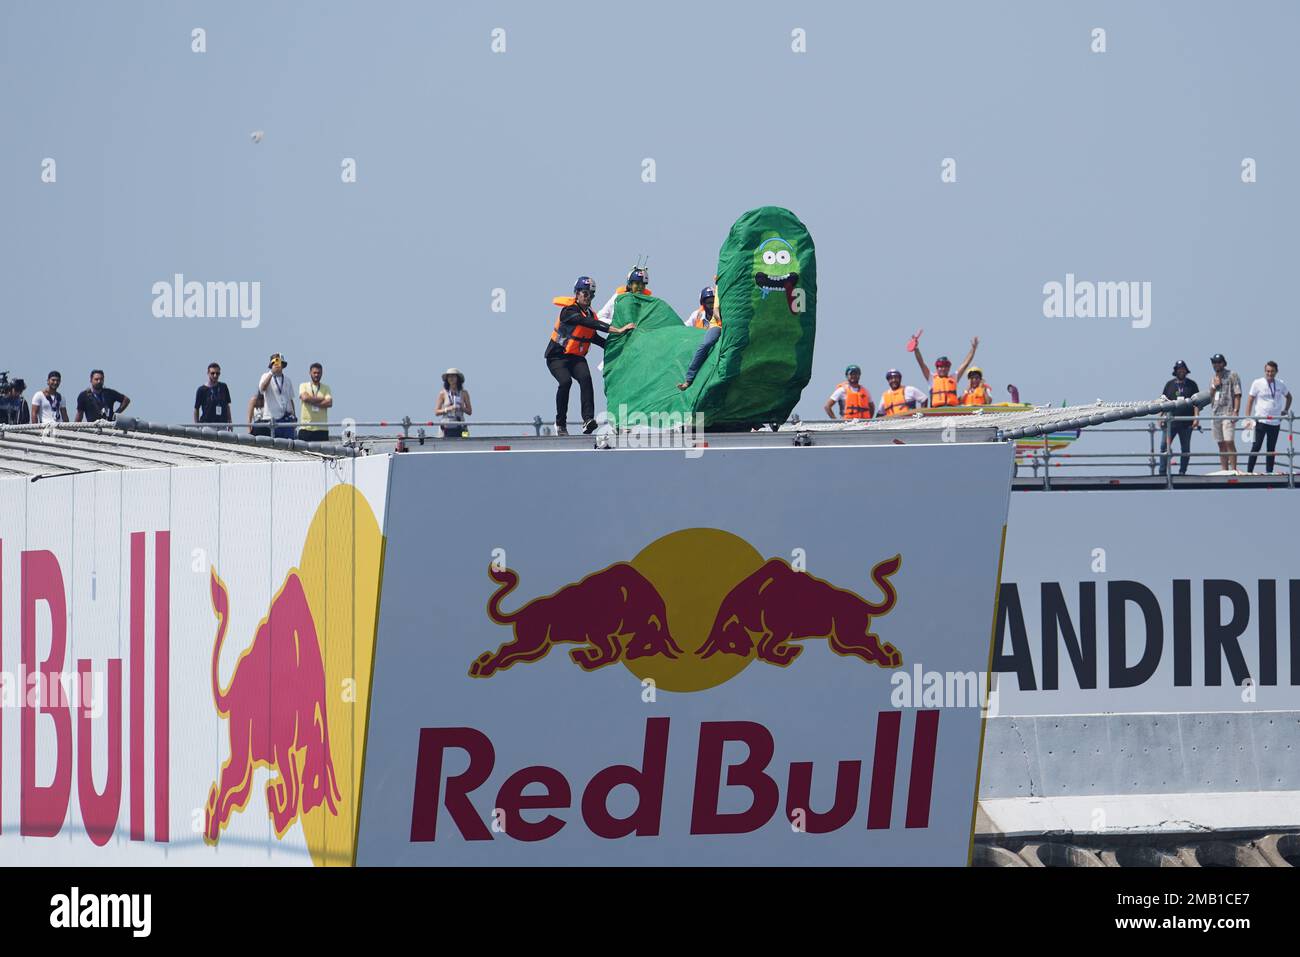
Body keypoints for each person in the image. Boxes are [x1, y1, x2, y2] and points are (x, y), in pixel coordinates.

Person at [546, 276, 634, 435]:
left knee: (586, 379)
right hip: (556, 357)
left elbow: (594, 337)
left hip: (575, 358)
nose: (588, 297)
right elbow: (588, 323)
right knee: (565, 382)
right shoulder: (569, 311)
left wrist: (618, 346)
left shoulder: (590, 314)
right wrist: (617, 329)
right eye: (585, 293)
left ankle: (588, 420)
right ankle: (560, 423)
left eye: (591, 295)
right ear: (577, 294)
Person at [1245, 360, 1292, 475]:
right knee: (1256, 446)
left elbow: (1289, 397)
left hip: (1275, 422)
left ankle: (1269, 472)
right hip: (1261, 421)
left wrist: (1285, 410)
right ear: (1264, 371)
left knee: (1271, 448)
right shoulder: (1257, 383)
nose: (1269, 374)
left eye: (1272, 371)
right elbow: (1250, 399)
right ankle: (1249, 471)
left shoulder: (1280, 383)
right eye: (1267, 371)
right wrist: (1247, 417)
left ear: (1276, 372)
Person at [912, 331, 979, 409]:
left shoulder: (953, 378)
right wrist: (916, 349)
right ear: (937, 368)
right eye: (940, 366)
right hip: (937, 410)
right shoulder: (931, 378)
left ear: (949, 368)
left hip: (952, 409)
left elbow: (965, 364)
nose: (943, 369)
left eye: (945, 366)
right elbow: (921, 363)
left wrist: (973, 350)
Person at [1158, 360, 1200, 476]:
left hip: (1186, 423)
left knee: (1185, 449)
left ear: (1186, 371)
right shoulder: (1169, 384)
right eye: (1179, 369)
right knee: (1164, 447)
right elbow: (1162, 402)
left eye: (1183, 369)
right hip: (1170, 422)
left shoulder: (1192, 385)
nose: (1181, 371)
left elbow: (1197, 403)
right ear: (1175, 371)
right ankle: (1162, 471)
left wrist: (1196, 418)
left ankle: (1182, 471)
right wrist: (1160, 417)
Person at [677, 294, 724, 391]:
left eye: (713, 302)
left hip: (723, 326)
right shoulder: (698, 315)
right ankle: (689, 379)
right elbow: (685, 328)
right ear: (703, 304)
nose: (711, 305)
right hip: (713, 329)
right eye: (709, 303)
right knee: (705, 344)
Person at [1207, 353, 1242, 472]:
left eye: (1218, 362)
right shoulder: (1213, 377)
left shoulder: (1232, 375)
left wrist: (1236, 411)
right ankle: (1224, 470)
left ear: (1223, 363)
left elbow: (1237, 394)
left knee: (1229, 441)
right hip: (1216, 413)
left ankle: (1234, 469)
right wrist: (1214, 386)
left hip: (1228, 412)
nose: (1216, 364)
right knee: (1220, 443)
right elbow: (1210, 396)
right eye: (1214, 362)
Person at [258, 353, 297, 440]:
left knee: (288, 445)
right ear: (271, 364)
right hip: (272, 419)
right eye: (276, 363)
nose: (278, 365)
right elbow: (262, 389)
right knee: (274, 445)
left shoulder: (287, 380)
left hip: (286, 419)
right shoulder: (265, 376)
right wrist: (272, 373)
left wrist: (294, 415)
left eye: (280, 363)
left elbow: (290, 399)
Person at [297, 362, 333, 442]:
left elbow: (329, 402)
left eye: (319, 373)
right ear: (310, 373)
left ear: (322, 373)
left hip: (322, 429)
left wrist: (312, 401)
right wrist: (322, 399)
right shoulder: (303, 385)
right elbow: (305, 398)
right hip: (306, 428)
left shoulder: (326, 388)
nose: (316, 375)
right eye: (314, 373)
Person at [435, 367, 473, 438]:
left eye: (453, 376)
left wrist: (462, 408)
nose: (451, 378)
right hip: (446, 426)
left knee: (465, 444)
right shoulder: (442, 393)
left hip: (461, 424)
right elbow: (436, 412)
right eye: (449, 376)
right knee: (444, 445)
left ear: (457, 378)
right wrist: (448, 409)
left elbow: (470, 412)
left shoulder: (464, 393)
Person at [194, 362, 233, 427]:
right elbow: (196, 408)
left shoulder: (223, 387)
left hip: (222, 424)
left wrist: (230, 421)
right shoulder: (201, 390)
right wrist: (197, 425)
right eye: (212, 373)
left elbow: (227, 405)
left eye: (217, 373)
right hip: (207, 425)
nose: (215, 376)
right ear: (208, 373)